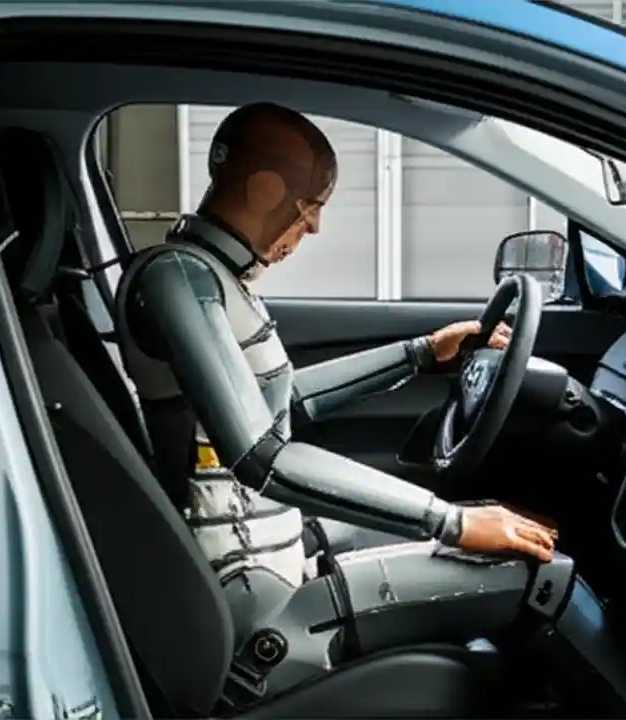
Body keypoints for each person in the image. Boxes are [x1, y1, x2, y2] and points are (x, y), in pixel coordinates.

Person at [115, 102, 557, 593]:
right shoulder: (180, 279)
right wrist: (449, 522)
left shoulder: (212, 275)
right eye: (312, 208)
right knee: (525, 585)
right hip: (243, 573)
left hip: (271, 536)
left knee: (490, 538)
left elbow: (283, 402)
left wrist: (423, 351)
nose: (315, 228)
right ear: (266, 191)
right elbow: (260, 456)